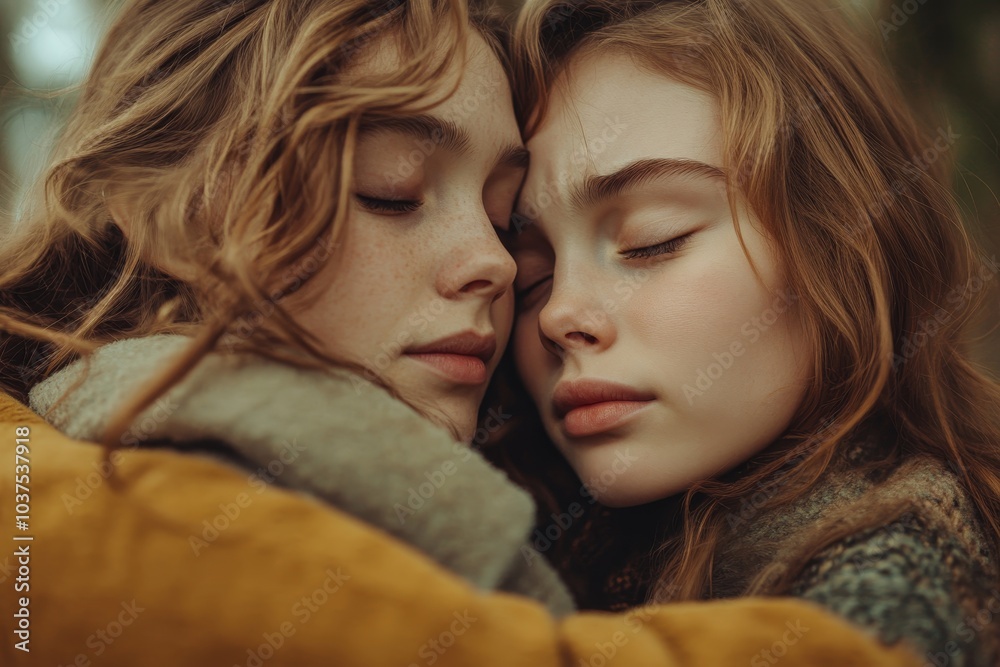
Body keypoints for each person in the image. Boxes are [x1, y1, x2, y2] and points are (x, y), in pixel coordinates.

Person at [0, 0, 572, 612]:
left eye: (504, 216)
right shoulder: (181, 526)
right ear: (169, 222)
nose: (497, 261)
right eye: (391, 193)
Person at [502, 0, 1000, 664]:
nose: (561, 314)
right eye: (531, 277)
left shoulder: (893, 576)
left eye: (652, 241)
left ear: (840, 239)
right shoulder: (566, 534)